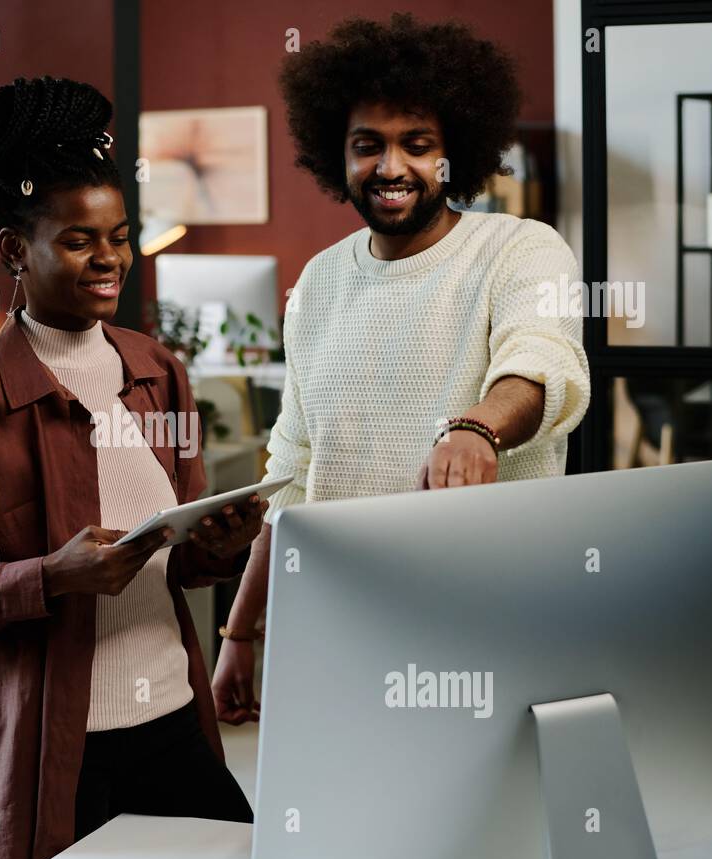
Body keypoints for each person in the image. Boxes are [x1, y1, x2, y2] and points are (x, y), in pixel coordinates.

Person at [0, 76, 264, 859]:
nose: (111, 258)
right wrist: (50, 577)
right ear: (16, 250)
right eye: (81, 241)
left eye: (119, 236)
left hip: (172, 724)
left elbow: (174, 560)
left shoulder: (159, 372)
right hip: (54, 746)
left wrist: (221, 540)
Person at [212, 14, 592, 722]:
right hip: (337, 633)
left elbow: (541, 361)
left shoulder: (521, 250)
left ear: (456, 154)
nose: (390, 168)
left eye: (417, 145)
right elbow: (291, 468)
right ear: (339, 155)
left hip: (488, 629)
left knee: (487, 830)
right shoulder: (319, 282)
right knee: (332, 829)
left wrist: (476, 429)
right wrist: (239, 629)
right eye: (368, 147)